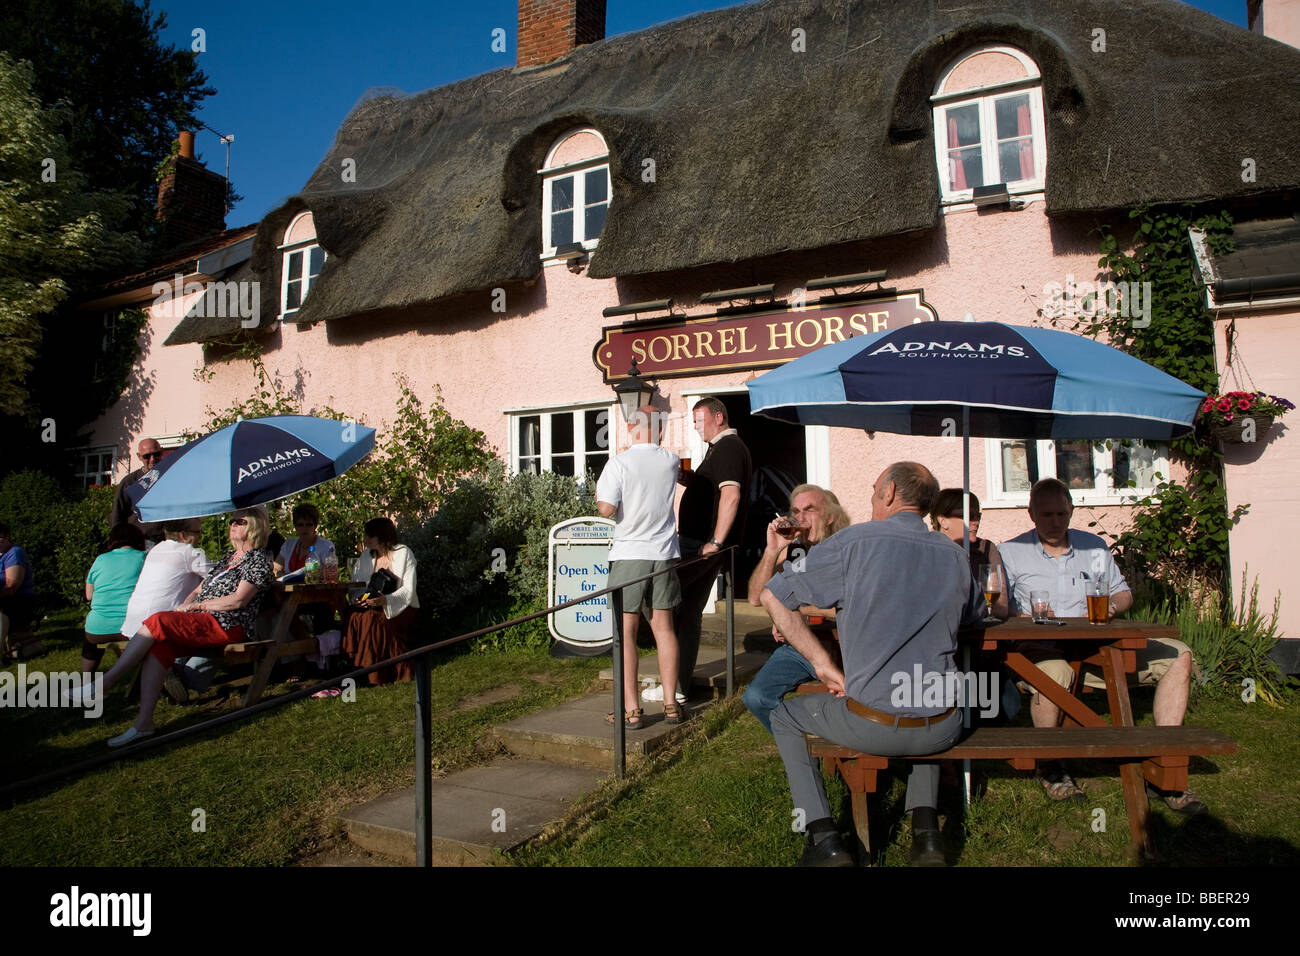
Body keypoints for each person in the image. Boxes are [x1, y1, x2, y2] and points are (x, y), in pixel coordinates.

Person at [758, 462, 981, 866]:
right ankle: (927, 832)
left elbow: (773, 595)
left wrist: (822, 663)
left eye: (875, 489)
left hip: (872, 722)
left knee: (786, 714)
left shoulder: (852, 544)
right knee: (923, 685)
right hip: (945, 725)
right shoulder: (955, 554)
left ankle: (824, 838)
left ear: (890, 492)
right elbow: (975, 617)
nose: (872, 496)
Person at [999, 478, 1203, 813]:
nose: (1054, 522)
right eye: (1046, 514)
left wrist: (1111, 607)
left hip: (1098, 647)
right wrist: (1023, 616)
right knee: (1056, 673)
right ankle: (1050, 767)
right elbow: (999, 607)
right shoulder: (1011, 551)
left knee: (1179, 654)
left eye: (1061, 514)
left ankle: (1166, 768)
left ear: (1072, 511)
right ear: (1031, 513)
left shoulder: (1093, 547)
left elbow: (1123, 593)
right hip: (1040, 648)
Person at [68, 508, 275, 746]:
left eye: (240, 521)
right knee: (159, 648)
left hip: (228, 623)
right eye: (231, 521)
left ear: (255, 527)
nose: (232, 525)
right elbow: (199, 588)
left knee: (157, 620)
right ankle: (144, 724)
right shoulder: (230, 557)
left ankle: (106, 682)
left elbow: (239, 600)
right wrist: (186, 605)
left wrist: (196, 606)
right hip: (205, 619)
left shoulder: (259, 559)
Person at [658, 396, 751, 704]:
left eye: (700, 420)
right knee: (688, 612)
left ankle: (673, 684)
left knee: (665, 604)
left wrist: (716, 542)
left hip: (702, 546)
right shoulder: (719, 450)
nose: (696, 427)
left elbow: (731, 496)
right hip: (700, 543)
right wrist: (693, 480)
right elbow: (715, 490)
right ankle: (679, 685)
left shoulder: (728, 448)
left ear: (719, 417)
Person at [596, 405, 684, 729]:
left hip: (630, 552)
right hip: (663, 552)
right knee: (664, 628)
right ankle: (671, 704)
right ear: (659, 428)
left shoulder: (618, 463)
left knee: (626, 633)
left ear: (631, 426)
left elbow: (606, 509)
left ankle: (631, 710)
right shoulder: (670, 460)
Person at [742, 484, 850, 732]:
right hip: (800, 647)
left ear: (831, 515)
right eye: (795, 511)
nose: (800, 518)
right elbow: (756, 598)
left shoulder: (844, 550)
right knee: (756, 697)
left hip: (843, 647)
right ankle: (801, 747)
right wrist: (772, 550)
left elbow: (849, 607)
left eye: (809, 510)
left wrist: (790, 611)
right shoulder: (797, 551)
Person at [342, 517, 419, 686]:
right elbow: (357, 585)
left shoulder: (403, 553)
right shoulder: (366, 556)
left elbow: (408, 589)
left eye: (370, 536)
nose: (366, 540)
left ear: (383, 536)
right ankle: (358, 668)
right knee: (354, 615)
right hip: (373, 604)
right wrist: (359, 600)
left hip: (401, 606)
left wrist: (386, 600)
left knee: (373, 620)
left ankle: (377, 675)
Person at [930, 489, 1008, 618]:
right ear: (943, 520)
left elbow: (1000, 606)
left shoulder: (986, 549)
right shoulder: (927, 550)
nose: (976, 522)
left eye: (978, 516)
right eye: (968, 517)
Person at [81, 524, 147, 675]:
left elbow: (89, 595)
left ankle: (86, 682)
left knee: (91, 645)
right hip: (132, 628)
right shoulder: (144, 558)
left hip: (97, 630)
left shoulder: (100, 559)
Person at [110, 437, 167, 545]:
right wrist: (118, 543)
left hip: (166, 541)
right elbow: (118, 514)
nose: (152, 459)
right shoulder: (130, 482)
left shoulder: (170, 478)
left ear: (162, 452)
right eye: (147, 456)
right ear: (139, 456)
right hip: (139, 542)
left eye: (156, 454)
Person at [0, 522, 39, 659]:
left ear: (8, 537)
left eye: (1, 537)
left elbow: (12, 587)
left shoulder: (14, 553)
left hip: (18, 600)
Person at [273, 503, 336, 576]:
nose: (304, 529)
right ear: (295, 526)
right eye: (300, 525)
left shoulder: (326, 546)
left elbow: (331, 573)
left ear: (315, 526)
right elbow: (275, 569)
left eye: (308, 524)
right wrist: (282, 575)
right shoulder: (289, 544)